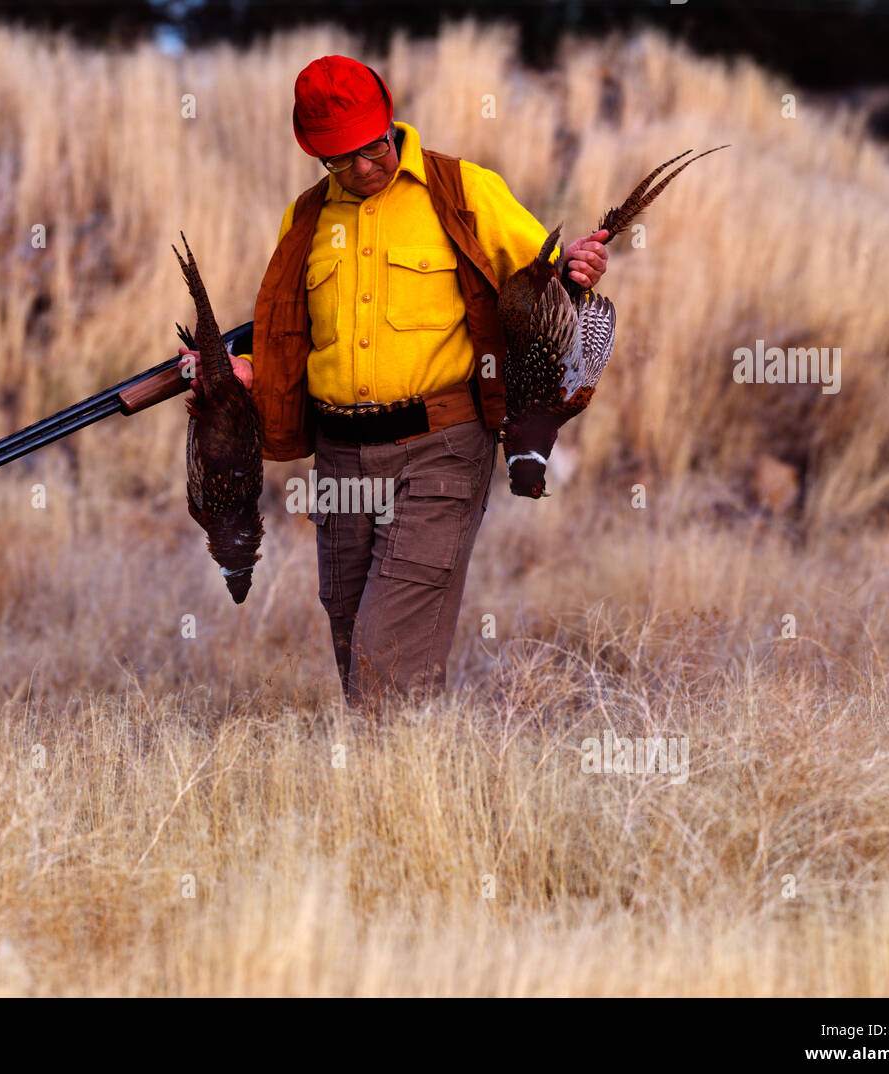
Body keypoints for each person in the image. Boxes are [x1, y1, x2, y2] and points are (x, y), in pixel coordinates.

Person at [185, 55, 608, 715]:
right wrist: (245, 375)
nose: (363, 167)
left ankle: (402, 799)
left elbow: (544, 289)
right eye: (340, 159)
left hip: (441, 446)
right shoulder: (304, 223)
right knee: (355, 643)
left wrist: (578, 270)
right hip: (342, 457)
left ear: (391, 121)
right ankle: (405, 801)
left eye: (373, 147)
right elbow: (295, 341)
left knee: (388, 657)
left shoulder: (462, 191)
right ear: (314, 153)